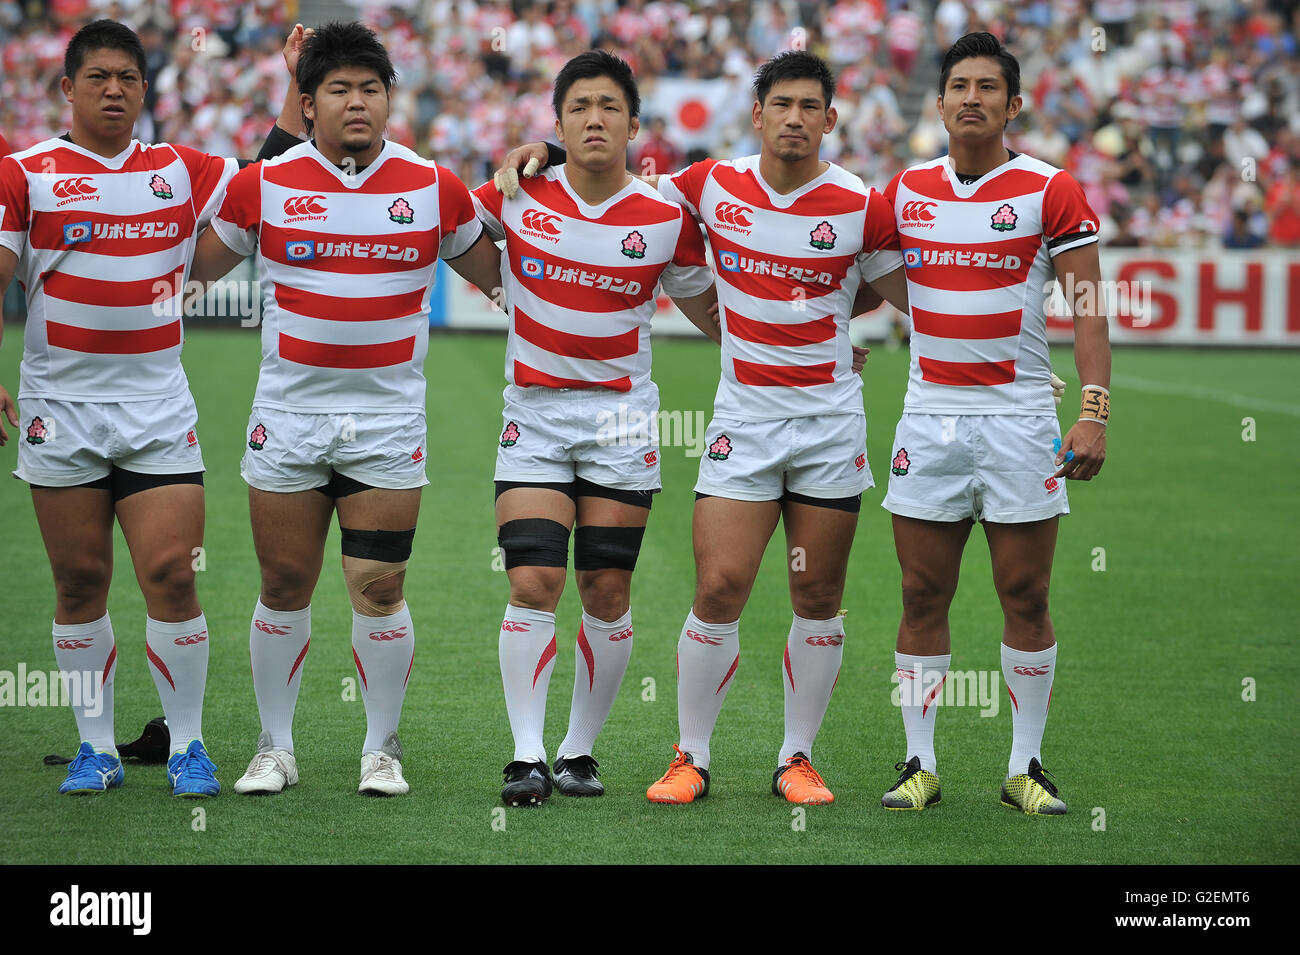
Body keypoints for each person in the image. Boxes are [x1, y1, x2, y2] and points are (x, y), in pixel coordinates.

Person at [498, 50, 908, 805]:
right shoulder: (707, 186)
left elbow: (910, 288)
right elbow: (611, 168)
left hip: (829, 424)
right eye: (779, 104)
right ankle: (691, 755)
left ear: (830, 118)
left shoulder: (862, 202)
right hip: (742, 422)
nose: (793, 118)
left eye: (809, 106)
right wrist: (547, 149)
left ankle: (797, 757)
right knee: (718, 586)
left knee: (817, 593)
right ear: (756, 115)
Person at [190, 21, 504, 797]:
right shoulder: (263, 183)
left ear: (391, 99)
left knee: (380, 587)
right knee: (284, 583)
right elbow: (187, 270)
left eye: (371, 87)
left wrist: (537, 187)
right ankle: (275, 746)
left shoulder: (434, 186)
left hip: (388, 426)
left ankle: (381, 748)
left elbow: (504, 276)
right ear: (308, 102)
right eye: (339, 88)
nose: (357, 101)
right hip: (286, 421)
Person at [0, 19, 308, 798]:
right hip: (58, 410)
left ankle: (189, 745)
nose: (113, 90)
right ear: (66, 88)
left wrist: (298, 86)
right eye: (97, 77)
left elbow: (268, 176)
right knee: (78, 581)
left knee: (172, 574)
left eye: (128, 78)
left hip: (156, 408)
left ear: (146, 89)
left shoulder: (181, 166)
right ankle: (95, 747)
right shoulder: (25, 172)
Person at [468, 51, 718, 806]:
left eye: (610, 106)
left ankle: (578, 751)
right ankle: (525, 754)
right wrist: (496, 280)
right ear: (557, 123)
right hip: (535, 418)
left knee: (606, 589)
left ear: (635, 124)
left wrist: (811, 349)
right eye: (579, 107)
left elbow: (714, 309)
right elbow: (444, 227)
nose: (595, 119)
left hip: (621, 422)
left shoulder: (665, 215)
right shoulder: (517, 190)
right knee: (533, 579)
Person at [877, 33, 1109, 815]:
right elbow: (848, 267)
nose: (971, 98)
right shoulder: (905, 191)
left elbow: (1087, 312)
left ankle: (1025, 766)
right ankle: (919, 762)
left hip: (1020, 423)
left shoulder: (1052, 189)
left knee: (1026, 592)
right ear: (937, 103)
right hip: (929, 420)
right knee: (920, 591)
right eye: (958, 86)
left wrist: (1092, 410)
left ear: (1015, 104)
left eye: (988, 87)